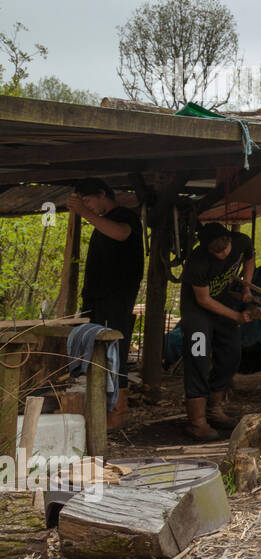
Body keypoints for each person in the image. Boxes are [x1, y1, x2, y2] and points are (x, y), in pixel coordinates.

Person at [67, 179, 143, 431]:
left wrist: (85, 213)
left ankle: (117, 413)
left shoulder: (124, 216)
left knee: (113, 353)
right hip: (97, 299)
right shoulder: (101, 222)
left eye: (88, 200)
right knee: (95, 353)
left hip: (115, 298)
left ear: (101, 194)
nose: (87, 206)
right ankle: (102, 409)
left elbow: (121, 233)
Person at [179, 222, 255, 441]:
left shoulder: (241, 242)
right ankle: (197, 422)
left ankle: (215, 409)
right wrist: (237, 317)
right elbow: (203, 300)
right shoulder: (197, 261)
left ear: (230, 239)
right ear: (206, 249)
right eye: (216, 251)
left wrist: (247, 287)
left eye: (225, 249)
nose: (222, 255)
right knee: (198, 357)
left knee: (232, 353)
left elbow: (249, 259)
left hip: (222, 306)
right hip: (197, 312)